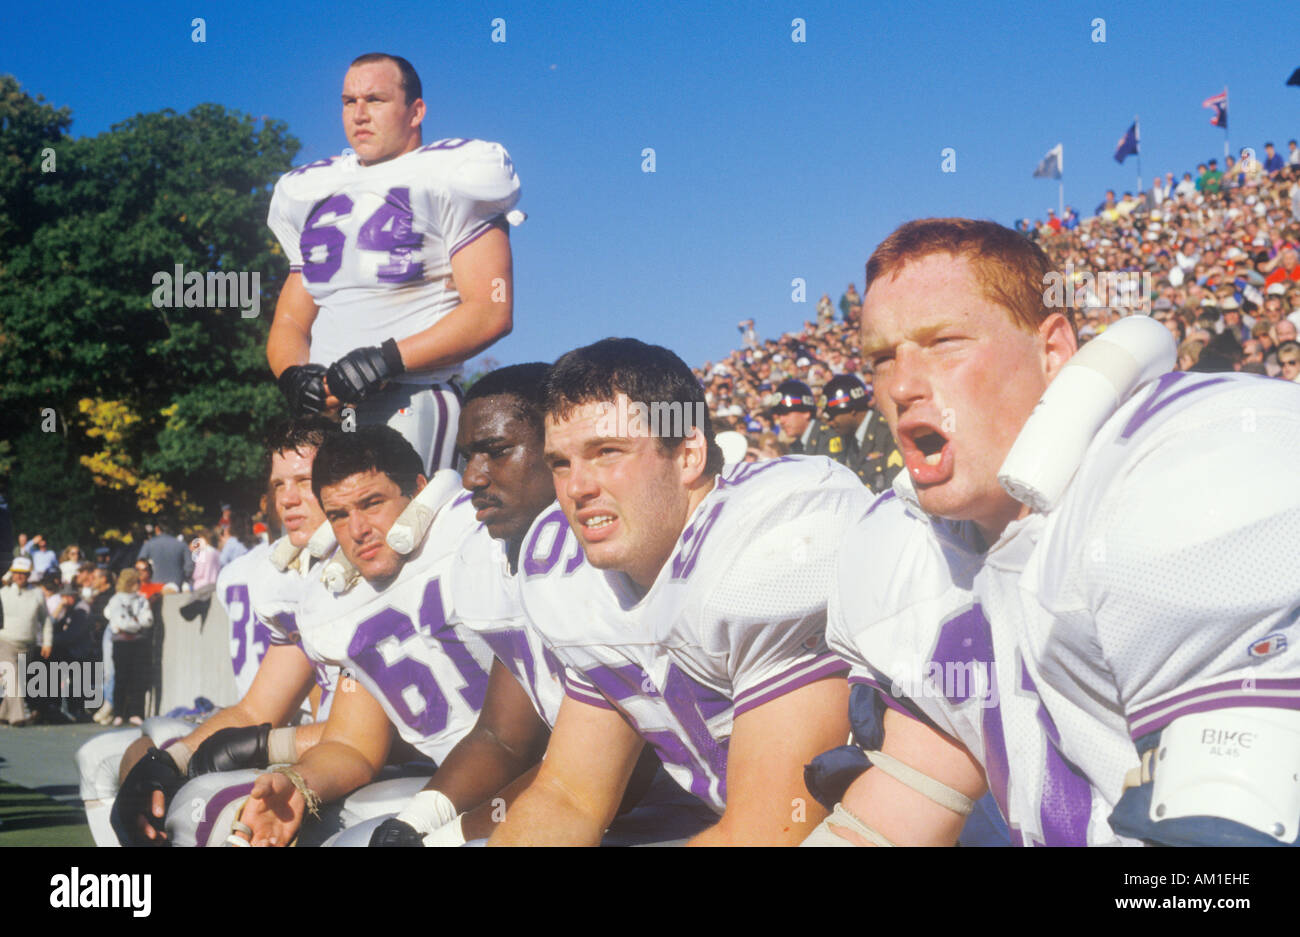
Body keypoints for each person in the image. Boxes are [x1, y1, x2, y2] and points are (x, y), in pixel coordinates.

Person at [806, 217, 1300, 847]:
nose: (902, 386)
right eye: (881, 358)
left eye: (944, 342)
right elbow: (896, 808)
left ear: (1053, 351)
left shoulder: (1185, 476)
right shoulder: (907, 544)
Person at [489, 338, 872, 846]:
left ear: (688, 453)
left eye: (607, 452)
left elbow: (770, 831)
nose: (577, 487)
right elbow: (569, 795)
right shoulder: (574, 576)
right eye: (561, 463)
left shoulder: (771, 539)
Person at [229, 425, 494, 846]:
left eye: (372, 504)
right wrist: (298, 784)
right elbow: (353, 744)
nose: (357, 530)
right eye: (338, 515)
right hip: (466, 792)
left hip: (546, 781)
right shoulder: (338, 600)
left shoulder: (477, 536)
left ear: (420, 492)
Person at [266, 52, 522, 476]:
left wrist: (386, 360)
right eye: (349, 101)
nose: (359, 114)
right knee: (337, 541)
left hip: (414, 398)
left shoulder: (450, 173)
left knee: (410, 536)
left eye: (376, 100)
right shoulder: (311, 189)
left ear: (416, 111)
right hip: (330, 415)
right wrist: (294, 375)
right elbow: (290, 321)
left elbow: (492, 309)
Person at [109, 418, 342, 845]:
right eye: (278, 485)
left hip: (414, 765)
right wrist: (169, 761)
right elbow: (256, 710)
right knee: (142, 767)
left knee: (206, 811)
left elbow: (377, 734)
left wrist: (266, 746)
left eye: (304, 481)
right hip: (339, 750)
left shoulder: (374, 568)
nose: (288, 499)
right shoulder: (296, 576)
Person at [812, 373, 903, 494]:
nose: (830, 422)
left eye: (832, 415)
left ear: (851, 410)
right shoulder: (850, 437)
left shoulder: (887, 432)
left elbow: (896, 490)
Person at [0, 556, 51, 726]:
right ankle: (18, 717)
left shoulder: (37, 594)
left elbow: (46, 620)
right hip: (5, 642)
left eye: (23, 573)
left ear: (29, 575)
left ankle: (3, 714)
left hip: (27, 645)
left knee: (17, 682)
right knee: (12, 678)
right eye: (16, 573)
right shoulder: (3, 592)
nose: (19, 576)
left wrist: (47, 642)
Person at [103, 568, 153, 727]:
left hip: (138, 643)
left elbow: (148, 620)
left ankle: (136, 713)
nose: (139, 584)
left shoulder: (141, 600)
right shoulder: (116, 600)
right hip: (121, 643)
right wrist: (136, 623)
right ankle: (119, 713)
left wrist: (132, 623)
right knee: (121, 678)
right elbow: (119, 621)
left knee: (138, 679)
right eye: (136, 582)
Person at [768, 378, 829, 453]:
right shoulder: (796, 445)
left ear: (806, 412)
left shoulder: (826, 438)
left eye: (786, 413)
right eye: (779, 415)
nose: (781, 421)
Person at [136, 521, 193, 591]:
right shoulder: (182, 544)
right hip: (177, 584)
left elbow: (140, 564)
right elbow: (189, 566)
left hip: (155, 584)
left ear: (157, 529)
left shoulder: (149, 544)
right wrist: (183, 577)